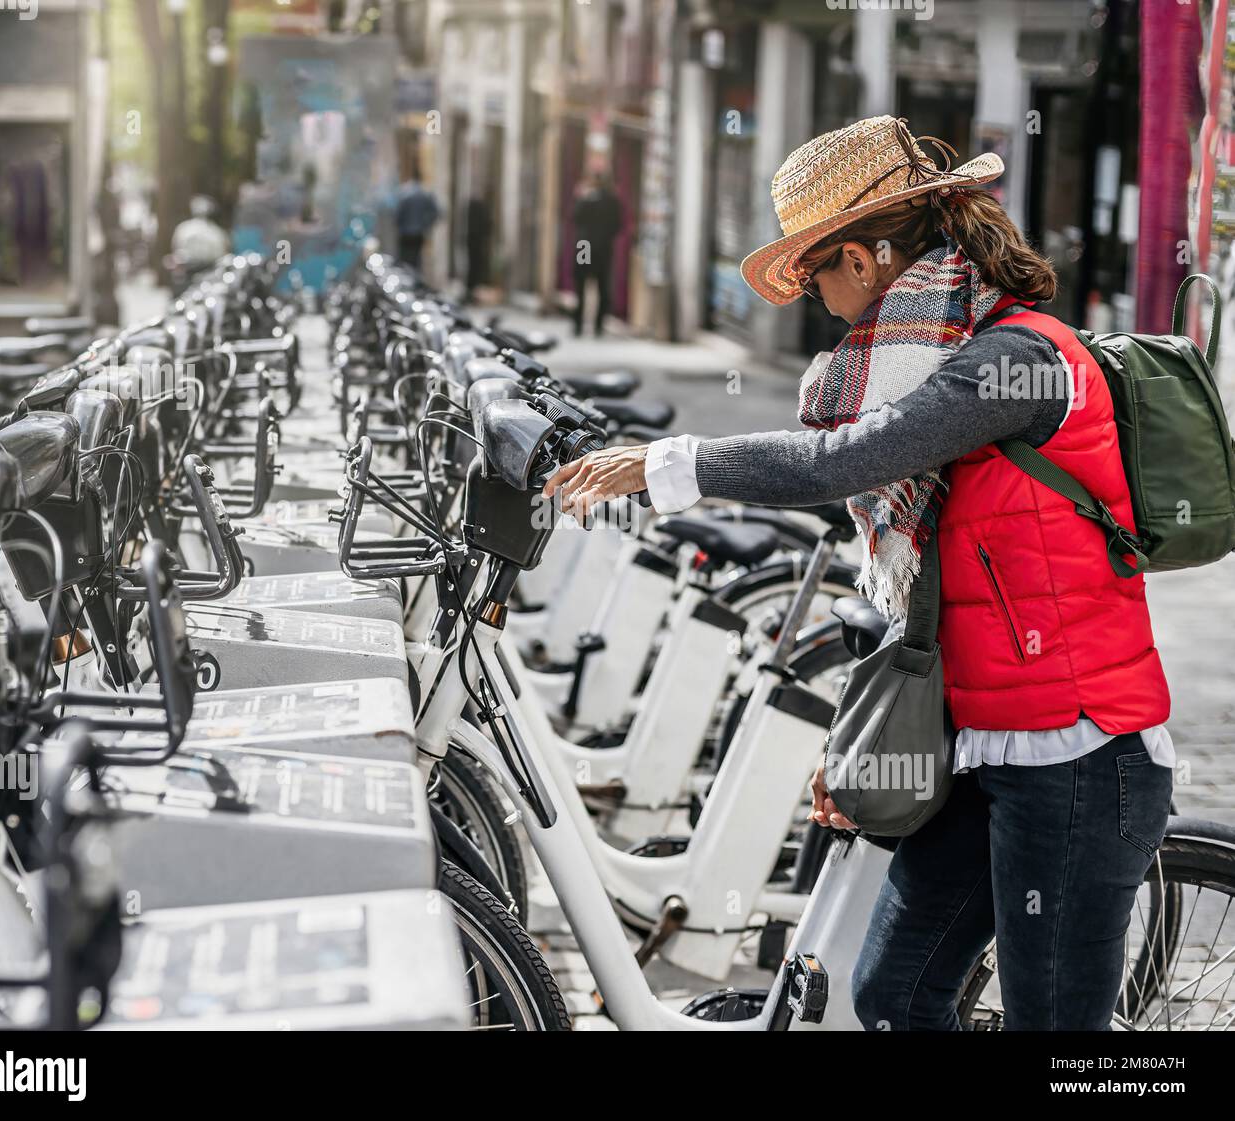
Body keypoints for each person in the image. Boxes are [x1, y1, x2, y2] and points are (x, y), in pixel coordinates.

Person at [543, 116, 1173, 1031]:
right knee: (892, 994)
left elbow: (841, 459)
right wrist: (860, 740)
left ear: (872, 255)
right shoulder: (936, 359)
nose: (809, 296)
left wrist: (667, 464)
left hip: (1077, 754)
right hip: (980, 744)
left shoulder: (1016, 362)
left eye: (816, 269)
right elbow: (912, 590)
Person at [570, 170, 623, 336]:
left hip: (584, 245)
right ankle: (598, 326)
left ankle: (578, 324)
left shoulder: (586, 198)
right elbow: (618, 224)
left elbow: (575, 217)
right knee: (602, 285)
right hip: (604, 246)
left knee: (581, 284)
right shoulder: (613, 200)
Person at [395, 173, 441, 271]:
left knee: (405, 260)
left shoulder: (404, 193)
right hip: (418, 232)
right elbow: (436, 212)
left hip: (405, 233)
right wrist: (426, 224)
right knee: (416, 258)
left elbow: (398, 215)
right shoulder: (425, 193)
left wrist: (400, 225)